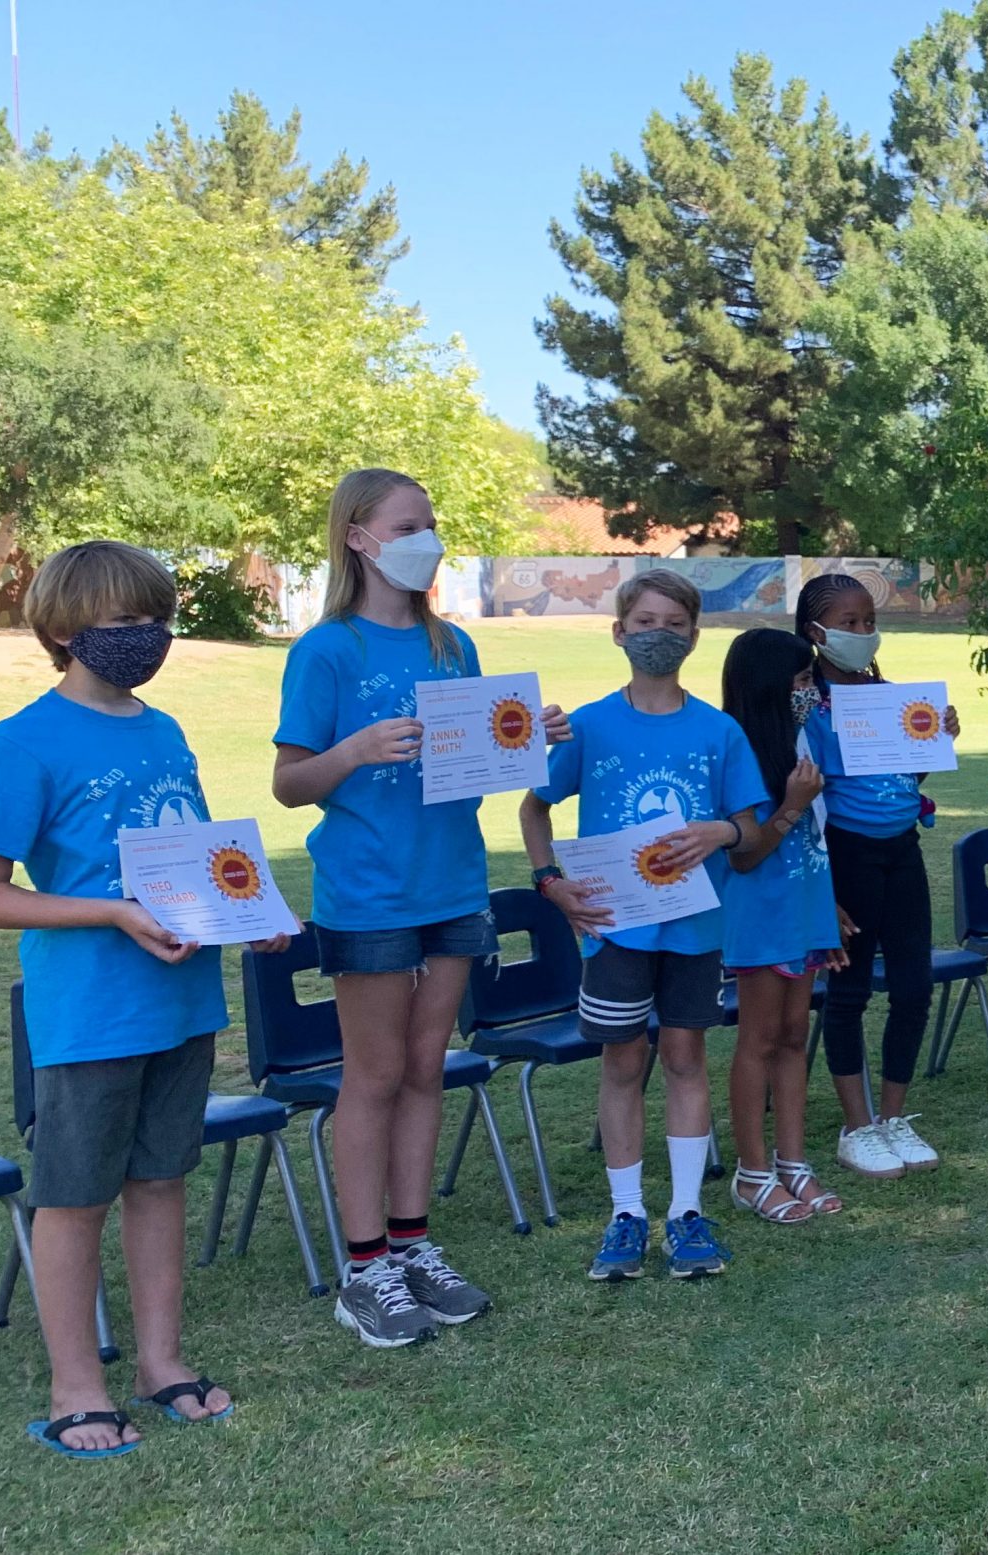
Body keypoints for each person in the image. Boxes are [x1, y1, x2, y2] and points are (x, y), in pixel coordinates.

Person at [0, 542, 282, 1456]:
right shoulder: (21, 741)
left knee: (160, 1181)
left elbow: (196, 861)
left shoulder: (166, 730)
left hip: (180, 1005)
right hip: (90, 1010)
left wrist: (245, 914)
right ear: (62, 631)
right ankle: (76, 1385)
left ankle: (161, 1362)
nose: (148, 637)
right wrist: (109, 910)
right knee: (75, 1196)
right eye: (123, 624)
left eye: (155, 619)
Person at [274, 469, 567, 1346]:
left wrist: (528, 737)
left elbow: (483, 767)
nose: (427, 539)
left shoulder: (453, 646)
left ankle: (413, 1246)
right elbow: (290, 783)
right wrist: (356, 749)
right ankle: (364, 1269)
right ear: (358, 537)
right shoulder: (326, 651)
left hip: (454, 884)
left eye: (433, 524)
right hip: (368, 891)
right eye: (410, 524)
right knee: (373, 1074)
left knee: (427, 1068)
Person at [522, 569, 765, 1280]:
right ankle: (626, 1212)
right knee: (624, 1061)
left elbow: (749, 827)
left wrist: (717, 830)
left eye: (674, 622)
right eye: (645, 621)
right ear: (619, 631)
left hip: (692, 928)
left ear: (695, 633)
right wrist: (552, 883)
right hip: (615, 928)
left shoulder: (719, 731)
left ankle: (686, 1212)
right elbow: (535, 806)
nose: (659, 633)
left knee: (688, 1059)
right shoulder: (590, 724)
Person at [798, 571, 964, 1173]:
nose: (864, 633)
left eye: (870, 621)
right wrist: (823, 888)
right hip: (846, 854)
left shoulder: (891, 697)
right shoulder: (807, 705)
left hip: (902, 851)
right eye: (849, 624)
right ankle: (857, 1127)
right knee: (849, 992)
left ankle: (893, 1117)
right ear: (815, 632)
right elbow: (804, 793)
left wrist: (933, 741)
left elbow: (901, 779)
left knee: (914, 988)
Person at [718, 628, 850, 1224]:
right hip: (758, 919)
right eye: (801, 681)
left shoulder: (798, 742)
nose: (811, 690)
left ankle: (793, 1162)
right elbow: (743, 855)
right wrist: (792, 804)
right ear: (770, 685)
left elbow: (813, 842)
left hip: (803, 914)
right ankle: (752, 1174)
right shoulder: (735, 748)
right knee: (760, 1039)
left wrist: (828, 913)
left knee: (796, 1035)